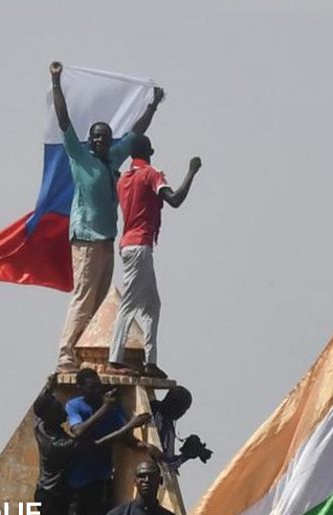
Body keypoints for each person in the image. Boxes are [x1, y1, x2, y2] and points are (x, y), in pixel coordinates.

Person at [49, 60, 165, 373]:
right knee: (83, 298)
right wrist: (57, 83)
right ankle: (66, 355)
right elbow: (64, 122)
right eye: (96, 137)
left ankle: (86, 354)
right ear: (90, 141)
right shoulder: (80, 157)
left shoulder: (112, 159)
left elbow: (136, 134)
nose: (100, 140)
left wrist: (153, 105)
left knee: (100, 302)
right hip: (86, 238)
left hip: (107, 239)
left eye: (104, 137)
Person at [33, 374, 158, 515]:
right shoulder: (57, 442)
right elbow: (90, 442)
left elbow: (125, 438)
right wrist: (126, 422)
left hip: (91, 484)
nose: (62, 408)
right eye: (57, 407)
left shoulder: (40, 424)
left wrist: (48, 385)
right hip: (55, 493)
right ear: (81, 388)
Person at [107, 137, 202, 379]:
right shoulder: (150, 174)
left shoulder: (124, 179)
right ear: (150, 151)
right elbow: (175, 200)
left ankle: (151, 361)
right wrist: (192, 172)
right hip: (139, 246)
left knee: (151, 305)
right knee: (129, 304)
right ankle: (114, 360)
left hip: (131, 245)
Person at [149, 387, 211, 474]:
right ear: (174, 406)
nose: (183, 413)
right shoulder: (159, 421)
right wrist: (185, 456)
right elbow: (165, 466)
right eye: (182, 409)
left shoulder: (167, 420)